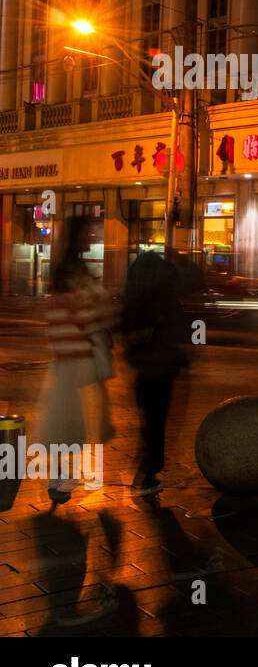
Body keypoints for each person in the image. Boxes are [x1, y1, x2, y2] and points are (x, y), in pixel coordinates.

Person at [38, 216, 112, 505]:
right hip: (74, 356)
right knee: (68, 420)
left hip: (66, 356)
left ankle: (58, 477)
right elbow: (86, 312)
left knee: (64, 419)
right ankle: (60, 478)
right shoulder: (74, 271)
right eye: (89, 234)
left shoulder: (65, 269)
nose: (92, 238)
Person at [120, 251, 190, 496]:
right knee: (156, 420)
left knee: (149, 419)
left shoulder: (137, 297)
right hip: (163, 367)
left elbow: (125, 327)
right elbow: (180, 328)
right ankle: (148, 472)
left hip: (144, 367)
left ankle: (147, 467)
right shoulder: (167, 297)